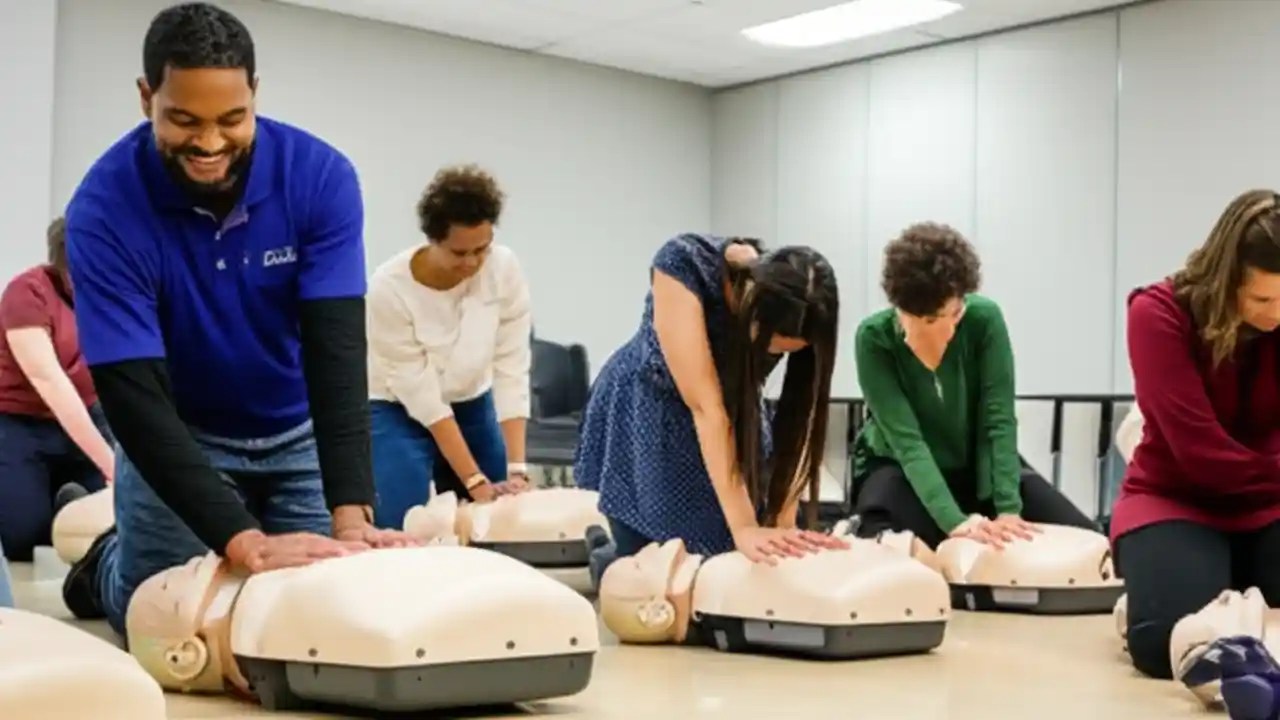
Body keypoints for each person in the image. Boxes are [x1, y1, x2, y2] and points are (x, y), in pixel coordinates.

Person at [57, 3, 416, 635]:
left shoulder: (319, 177)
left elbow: (335, 352)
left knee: (309, 602)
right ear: (146, 99)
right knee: (165, 613)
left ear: (255, 95)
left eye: (232, 118)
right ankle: (108, 560)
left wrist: (352, 512)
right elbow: (131, 395)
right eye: (184, 120)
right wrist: (240, 541)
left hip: (293, 427)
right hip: (180, 427)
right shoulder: (104, 209)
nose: (211, 143)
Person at [574, 233, 848, 576]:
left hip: (731, 418)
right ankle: (610, 558)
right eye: (772, 347)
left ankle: (613, 551)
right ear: (753, 306)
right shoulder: (684, 264)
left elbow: (799, 417)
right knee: (664, 569)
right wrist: (746, 527)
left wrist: (782, 524)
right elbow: (707, 409)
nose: (773, 357)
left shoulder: (802, 309)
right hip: (654, 411)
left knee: (731, 563)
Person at [1113, 189, 1280, 680]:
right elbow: (1200, 454)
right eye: (1263, 298)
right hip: (1176, 496)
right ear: (1226, 282)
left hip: (1267, 501)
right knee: (1168, 646)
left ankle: (1240, 598)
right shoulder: (1156, 313)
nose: (1277, 313)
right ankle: (1150, 598)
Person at [851, 222, 1096, 550]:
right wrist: (955, 523)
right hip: (899, 469)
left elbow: (999, 419)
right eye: (932, 319)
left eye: (956, 312)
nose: (950, 328)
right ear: (904, 312)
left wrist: (1009, 510)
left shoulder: (984, 319)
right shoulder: (874, 338)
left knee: (1086, 540)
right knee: (889, 540)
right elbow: (907, 442)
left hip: (977, 466)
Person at [366, 164, 533, 529]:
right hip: (397, 407)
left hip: (473, 401)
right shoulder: (388, 288)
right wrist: (473, 480)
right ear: (433, 239)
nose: (472, 263)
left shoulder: (504, 268)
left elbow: (511, 366)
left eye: (482, 249)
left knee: (495, 520)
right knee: (400, 520)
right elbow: (423, 396)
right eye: (459, 253)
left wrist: (517, 469)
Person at [0, 218, 116, 561]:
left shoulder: (114, 293)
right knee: (21, 540)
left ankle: (68, 507)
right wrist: (110, 464)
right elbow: (51, 382)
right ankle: (55, 509)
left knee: (111, 521)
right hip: (18, 420)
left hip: (88, 410)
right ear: (61, 265)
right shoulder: (27, 293)